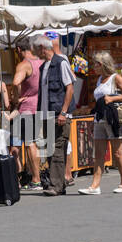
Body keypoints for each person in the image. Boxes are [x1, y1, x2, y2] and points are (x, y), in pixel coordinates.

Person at [78, 52, 122, 195]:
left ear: (101, 65)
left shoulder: (116, 78)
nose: (93, 67)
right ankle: (95, 186)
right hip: (99, 120)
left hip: (113, 120)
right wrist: (93, 119)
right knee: (99, 154)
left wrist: (113, 99)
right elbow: (98, 102)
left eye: (95, 64)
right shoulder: (99, 79)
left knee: (117, 152)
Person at [33, 36, 75, 195]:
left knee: (57, 148)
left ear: (43, 47)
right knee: (51, 149)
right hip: (46, 115)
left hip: (59, 114)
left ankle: (55, 186)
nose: (35, 53)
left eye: (36, 50)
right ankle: (58, 184)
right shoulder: (43, 67)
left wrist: (64, 112)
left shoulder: (61, 63)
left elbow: (69, 88)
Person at [9, 41, 43, 193]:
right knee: (32, 142)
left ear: (18, 49)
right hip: (39, 105)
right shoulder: (41, 62)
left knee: (29, 144)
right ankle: (33, 176)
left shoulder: (24, 65)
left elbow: (16, 83)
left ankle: (36, 179)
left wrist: (16, 99)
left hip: (27, 108)